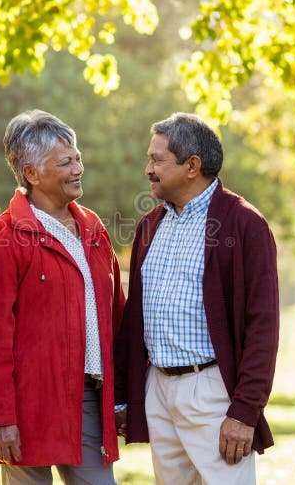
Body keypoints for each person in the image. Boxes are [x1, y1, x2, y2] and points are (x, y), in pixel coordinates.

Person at [113, 113, 279, 484]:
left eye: (157, 160)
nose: (148, 169)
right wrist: (122, 395)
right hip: (158, 389)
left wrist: (244, 411)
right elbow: (134, 320)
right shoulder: (149, 226)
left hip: (212, 393)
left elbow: (263, 327)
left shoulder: (245, 225)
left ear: (192, 166)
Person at [0, 110, 125, 484]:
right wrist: (0, 418)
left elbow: (116, 318)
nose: (77, 168)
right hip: (26, 406)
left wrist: (119, 398)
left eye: (77, 158)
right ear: (32, 173)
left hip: (88, 399)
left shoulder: (94, 229)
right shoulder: (2, 238)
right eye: (65, 162)